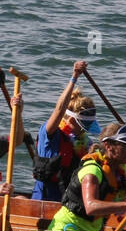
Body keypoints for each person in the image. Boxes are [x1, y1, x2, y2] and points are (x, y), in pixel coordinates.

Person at [48, 123, 126, 231]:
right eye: (125, 146)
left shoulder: (118, 168)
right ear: (108, 146)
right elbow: (91, 207)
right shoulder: (92, 171)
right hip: (66, 230)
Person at [31, 60, 98, 202]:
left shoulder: (84, 142)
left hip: (70, 199)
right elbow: (59, 109)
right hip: (44, 198)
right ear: (72, 121)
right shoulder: (50, 133)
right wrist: (74, 77)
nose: (86, 130)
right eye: (84, 124)